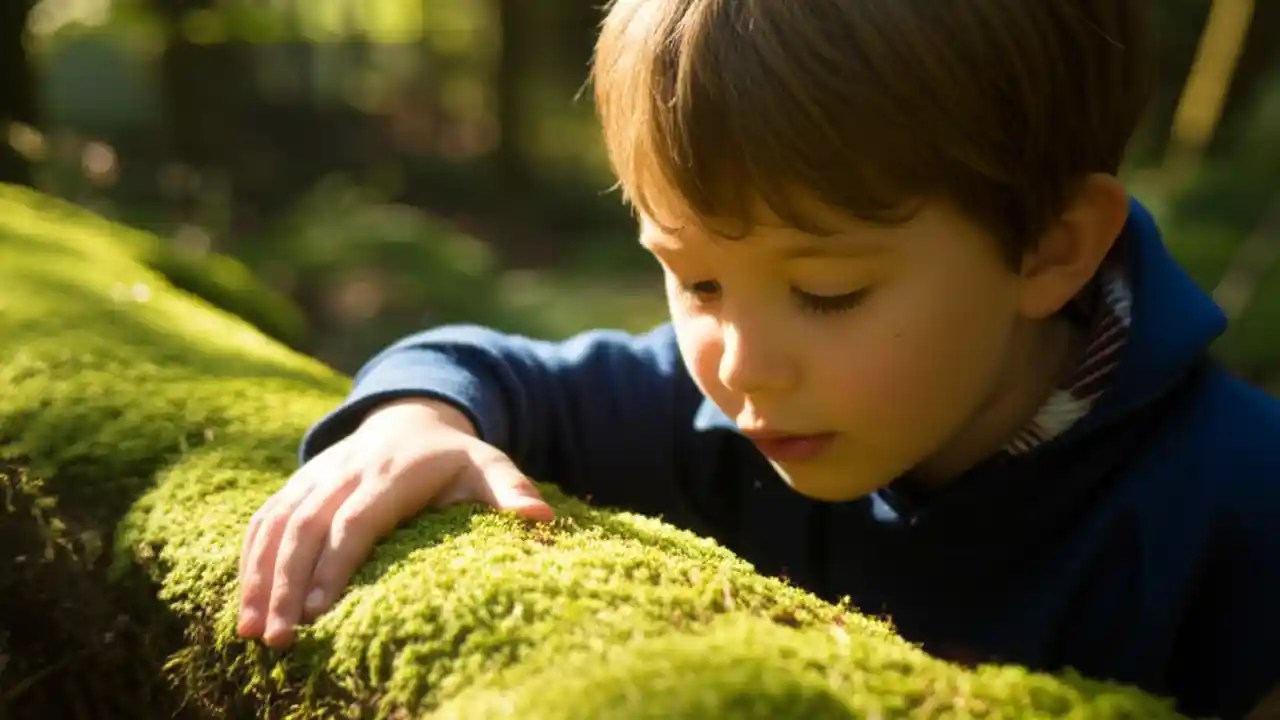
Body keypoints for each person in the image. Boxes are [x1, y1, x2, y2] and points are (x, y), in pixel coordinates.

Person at [236, 1, 1280, 717]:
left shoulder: (1241, 505)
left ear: (1050, 248)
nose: (738, 364)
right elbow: (483, 367)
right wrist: (413, 420)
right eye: (693, 281)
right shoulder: (704, 416)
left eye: (826, 292)